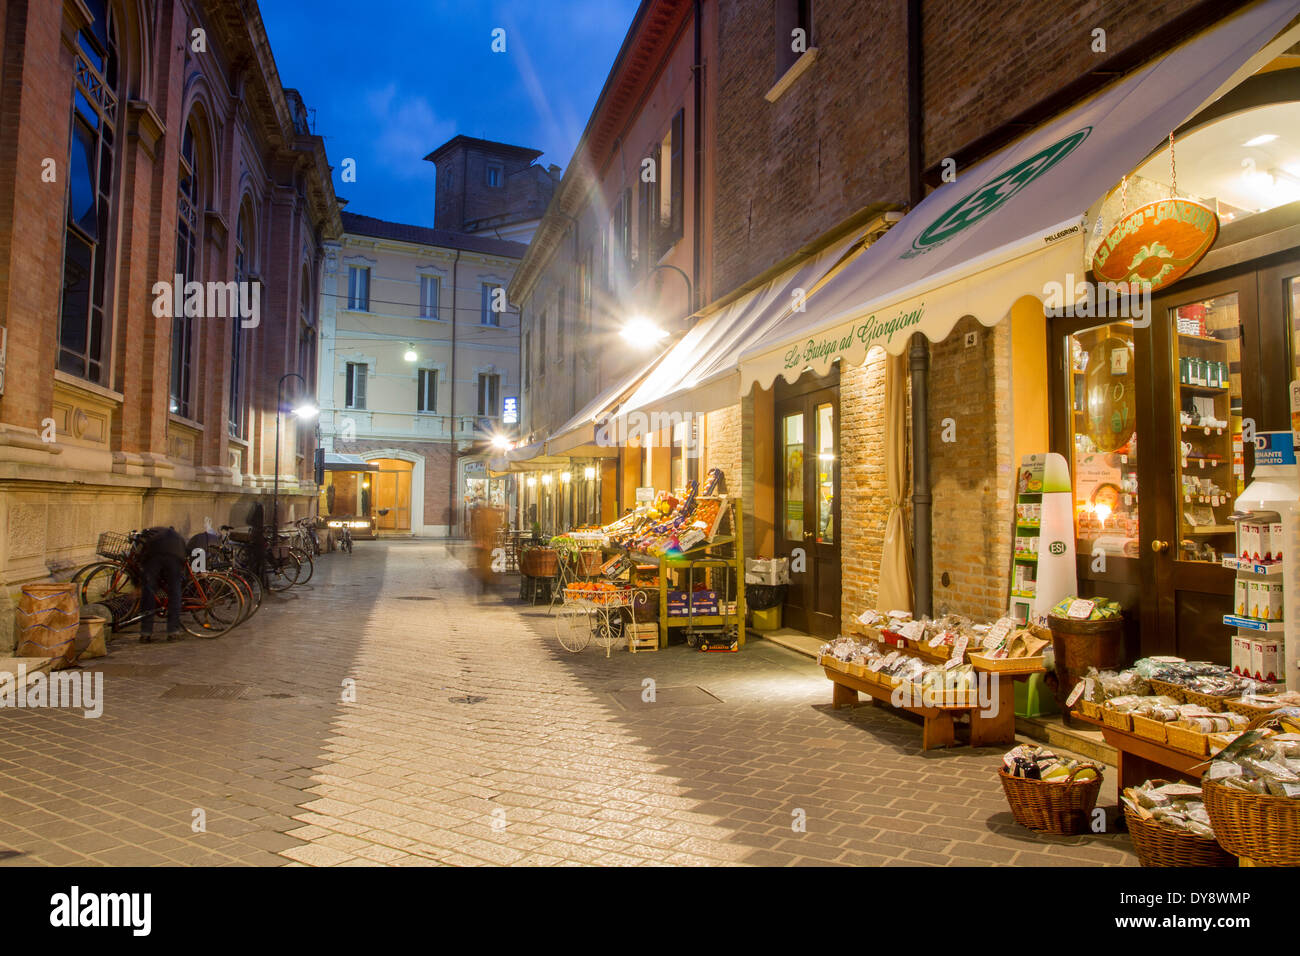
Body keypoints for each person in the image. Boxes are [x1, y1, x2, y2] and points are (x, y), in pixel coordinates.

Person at [137, 526, 187, 642]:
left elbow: (144, 556)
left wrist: (142, 578)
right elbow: (184, 555)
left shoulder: (153, 536)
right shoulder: (178, 537)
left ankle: (146, 632)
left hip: (155, 556)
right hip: (175, 557)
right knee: (175, 592)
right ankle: (173, 631)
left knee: (148, 592)